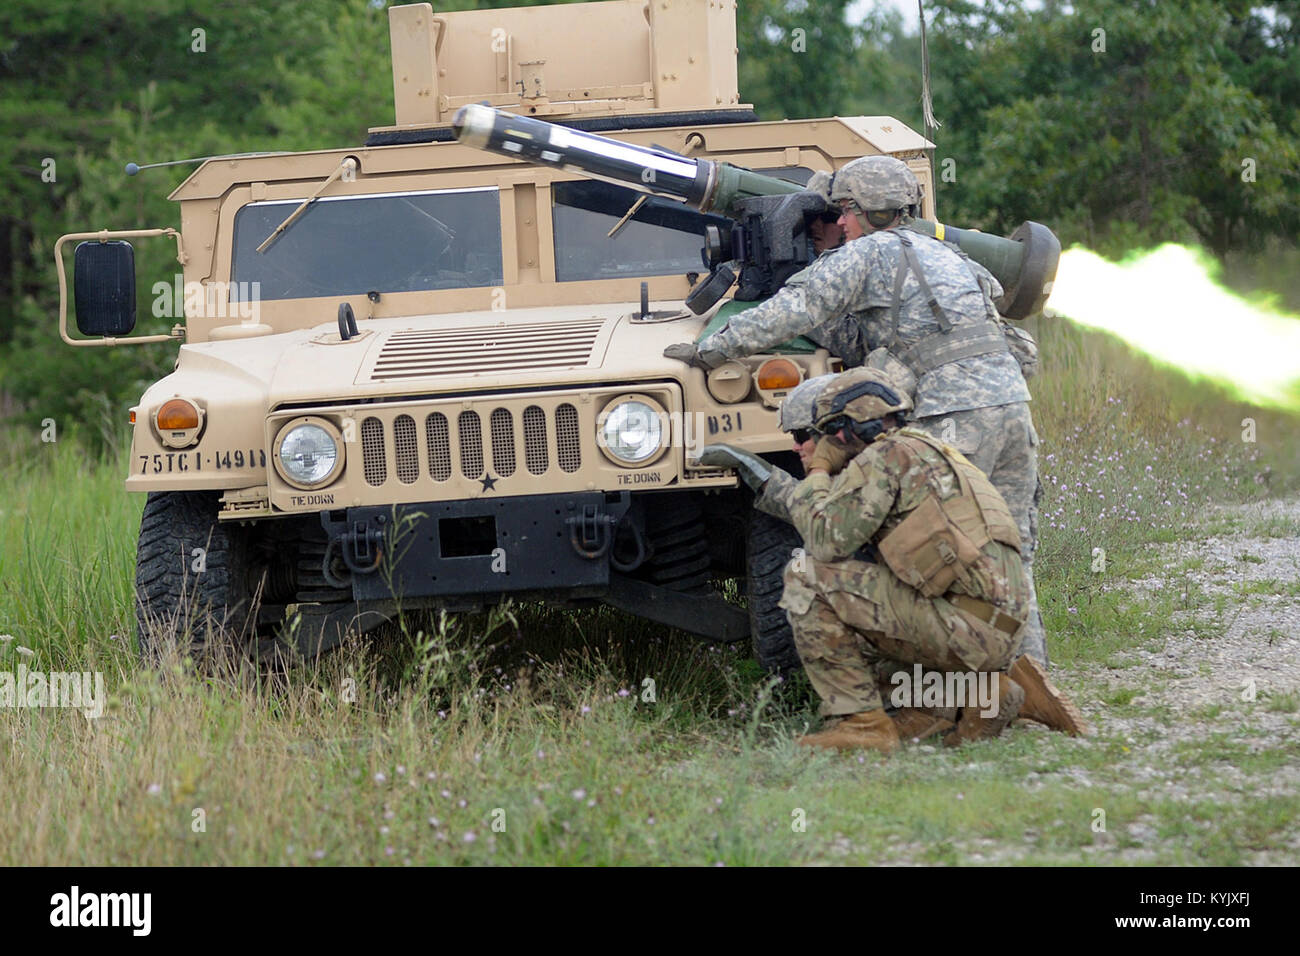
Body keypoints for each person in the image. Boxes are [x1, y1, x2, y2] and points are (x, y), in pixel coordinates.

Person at [666, 154, 1051, 671]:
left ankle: (931, 688)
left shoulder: (865, 256)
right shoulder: (953, 259)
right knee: (1012, 550)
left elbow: (790, 311)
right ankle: (1028, 678)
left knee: (929, 550)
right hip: (1011, 411)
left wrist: (712, 349)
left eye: (844, 210)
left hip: (951, 418)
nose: (839, 222)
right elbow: (1020, 348)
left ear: (868, 211)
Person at [698, 368, 1085, 751]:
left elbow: (824, 538)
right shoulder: (924, 451)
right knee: (874, 598)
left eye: (803, 437)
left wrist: (818, 467)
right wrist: (764, 477)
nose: (797, 447)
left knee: (808, 580)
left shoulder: (880, 461)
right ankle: (971, 697)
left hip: (965, 627)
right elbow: (834, 513)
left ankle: (864, 724)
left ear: (841, 432)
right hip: (996, 627)